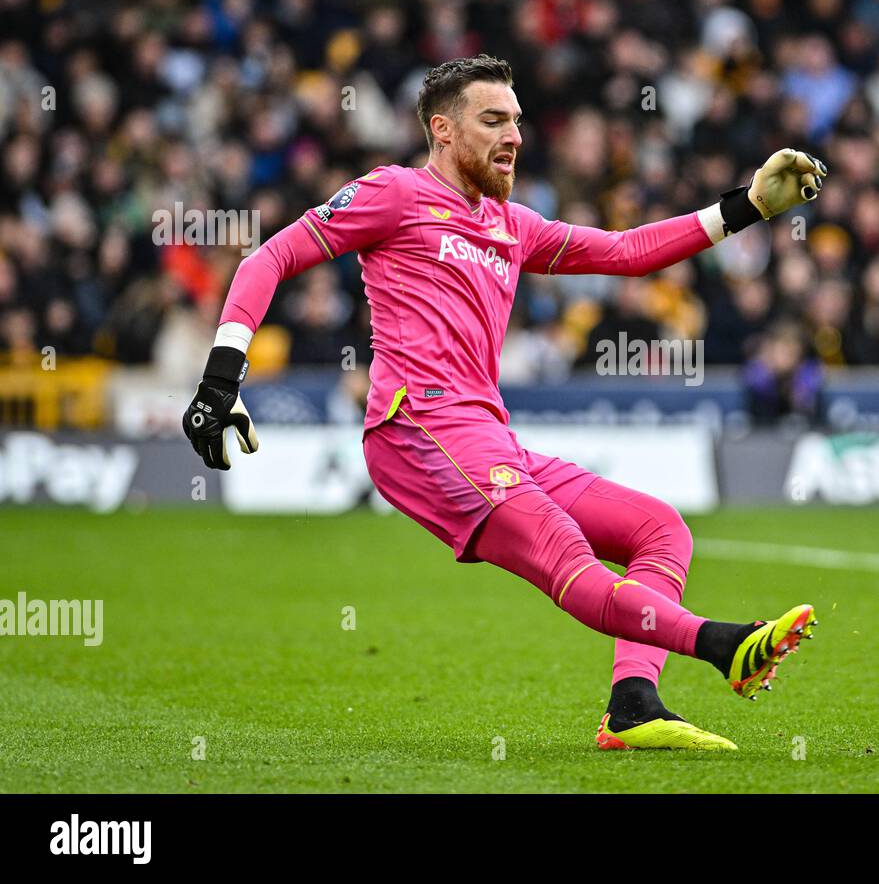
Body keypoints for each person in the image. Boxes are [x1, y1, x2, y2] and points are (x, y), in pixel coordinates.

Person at [182, 55, 826, 751]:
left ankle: (634, 706)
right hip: (416, 426)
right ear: (444, 131)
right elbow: (266, 259)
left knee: (660, 529)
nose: (513, 135)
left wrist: (750, 206)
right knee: (568, 557)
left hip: (489, 435)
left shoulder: (512, 225)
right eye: (493, 120)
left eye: (516, 121)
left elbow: (627, 252)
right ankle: (725, 646)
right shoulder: (394, 192)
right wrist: (223, 378)